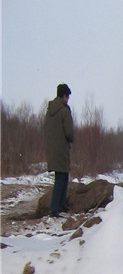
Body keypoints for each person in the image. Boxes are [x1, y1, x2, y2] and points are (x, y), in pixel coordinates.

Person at [45, 83, 74, 217]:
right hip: (62, 148)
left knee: (61, 176)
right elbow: (69, 131)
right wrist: (71, 139)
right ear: (64, 96)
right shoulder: (64, 110)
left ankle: (61, 204)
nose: (68, 99)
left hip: (52, 148)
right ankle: (55, 208)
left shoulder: (50, 110)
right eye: (67, 96)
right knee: (61, 178)